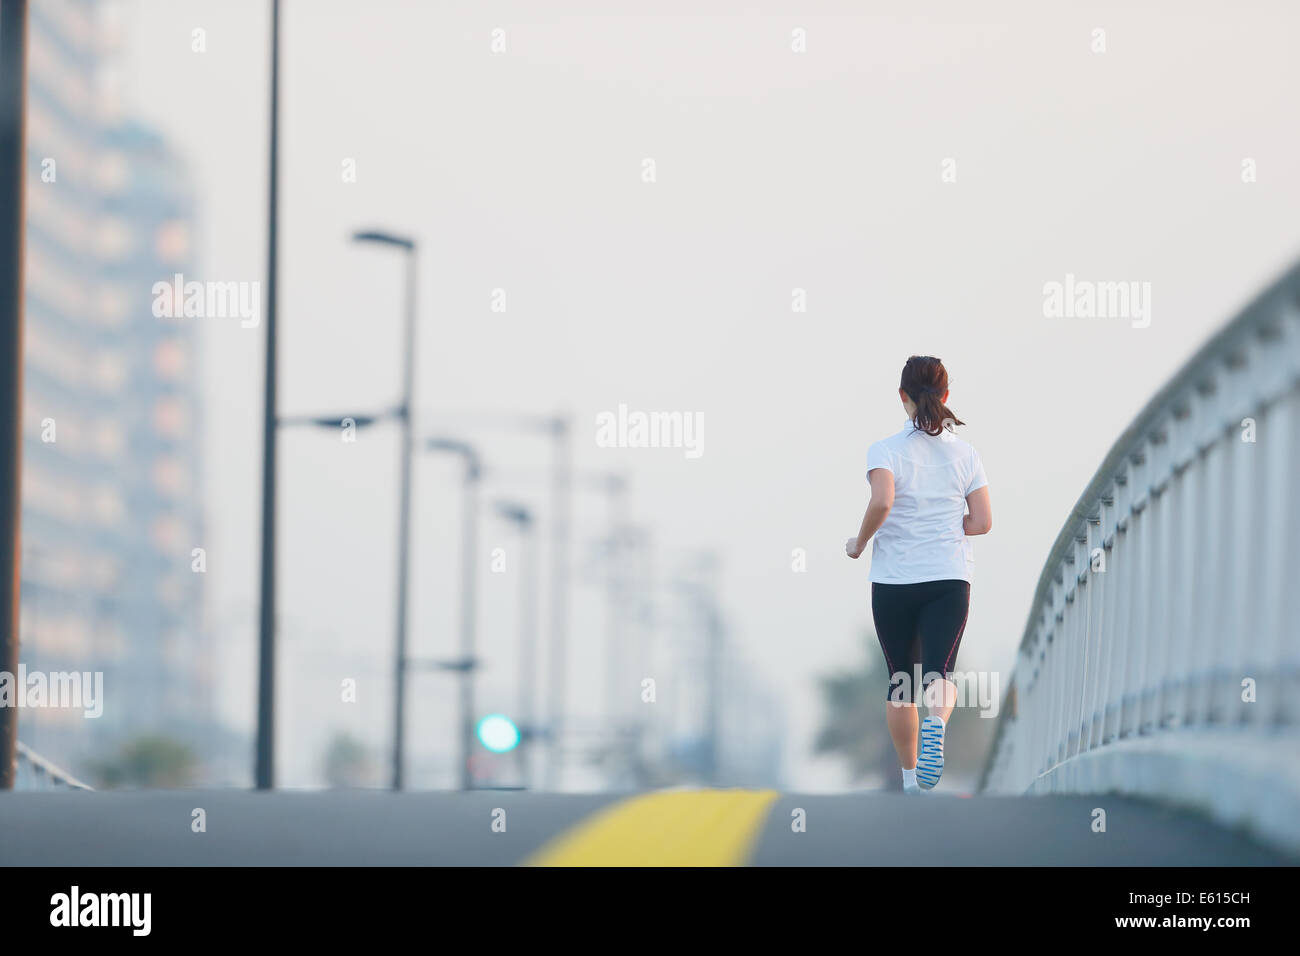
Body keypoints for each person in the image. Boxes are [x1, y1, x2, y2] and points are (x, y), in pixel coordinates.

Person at [845, 356, 992, 794]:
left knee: (900, 680)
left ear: (901, 397)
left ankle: (911, 779)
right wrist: (948, 525)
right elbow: (982, 521)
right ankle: (937, 728)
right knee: (939, 674)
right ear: (946, 396)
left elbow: (882, 502)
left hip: (893, 580)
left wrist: (859, 542)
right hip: (948, 577)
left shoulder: (885, 450)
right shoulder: (966, 454)